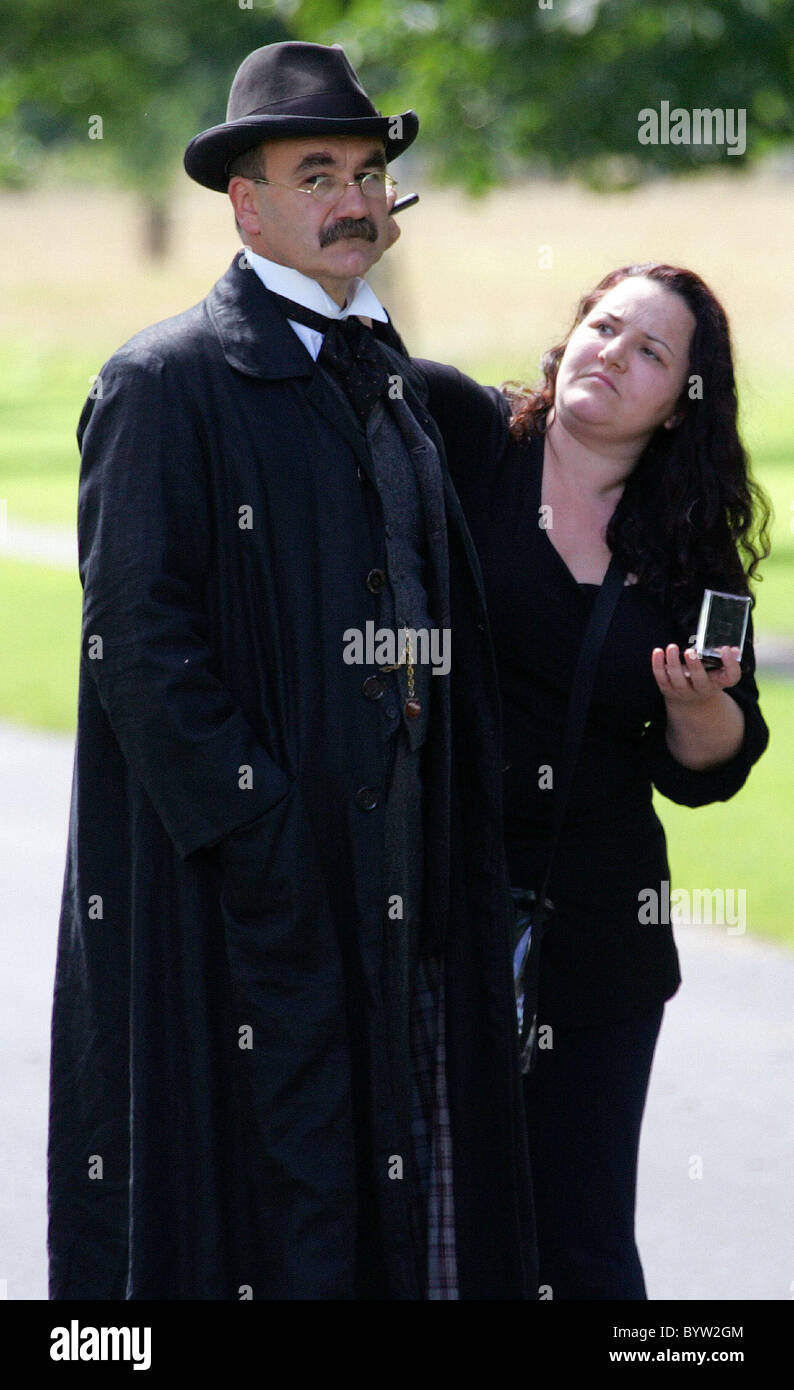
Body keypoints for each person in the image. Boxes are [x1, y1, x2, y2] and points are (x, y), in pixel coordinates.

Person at [47, 40, 536, 1301]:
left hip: (401, 894)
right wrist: (268, 831)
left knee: (387, 1217)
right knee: (250, 1210)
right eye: (315, 172)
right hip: (240, 902)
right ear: (244, 203)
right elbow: (138, 650)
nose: (355, 198)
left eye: (370, 171)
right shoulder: (163, 383)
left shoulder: (395, 383)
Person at [416, 263, 770, 1299]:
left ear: (679, 405)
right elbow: (343, 356)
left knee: (579, 1248)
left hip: (598, 941)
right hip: (432, 915)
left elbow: (713, 768)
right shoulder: (470, 440)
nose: (614, 353)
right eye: (605, 327)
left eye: (650, 351)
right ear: (569, 335)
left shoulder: (688, 549)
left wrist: (701, 709)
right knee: (429, 1225)